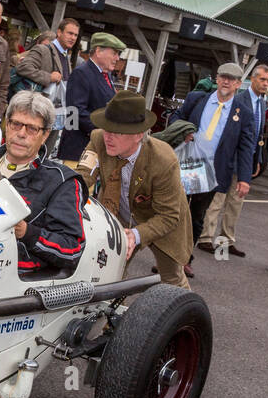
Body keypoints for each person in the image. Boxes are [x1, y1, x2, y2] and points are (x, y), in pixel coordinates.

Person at [74, 92, 193, 288]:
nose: (108, 137)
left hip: (162, 220)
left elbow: (170, 215)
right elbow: (82, 177)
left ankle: (189, 317)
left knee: (171, 280)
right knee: (109, 273)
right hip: (119, 214)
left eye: (117, 132)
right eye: (107, 128)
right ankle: (106, 316)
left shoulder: (163, 159)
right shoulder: (98, 139)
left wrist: (136, 235)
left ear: (138, 134)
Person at [0, 91, 88, 277]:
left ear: (45, 135)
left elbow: (72, 250)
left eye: (32, 129)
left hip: (10, 279)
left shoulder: (62, 182)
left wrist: (27, 232)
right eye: (16, 124)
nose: (21, 134)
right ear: (7, 125)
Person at [173, 62, 257, 260]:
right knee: (177, 213)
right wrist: (182, 130)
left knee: (196, 217)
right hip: (188, 163)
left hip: (213, 170)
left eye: (232, 79)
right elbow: (177, 116)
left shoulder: (243, 113)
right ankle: (170, 259)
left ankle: (184, 258)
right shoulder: (196, 98)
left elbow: (246, 148)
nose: (226, 81)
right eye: (223, 77)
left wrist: (245, 178)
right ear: (217, 79)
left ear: (238, 84)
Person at [197, 63, 268, 257]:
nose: (266, 84)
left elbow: (254, 136)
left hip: (244, 162)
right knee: (217, 200)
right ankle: (206, 237)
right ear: (252, 79)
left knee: (235, 204)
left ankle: (225, 242)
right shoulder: (237, 99)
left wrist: (255, 161)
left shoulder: (262, 103)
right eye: (262, 79)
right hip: (227, 160)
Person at [62, 32, 125, 165]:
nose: (117, 58)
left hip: (93, 149)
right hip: (79, 150)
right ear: (98, 51)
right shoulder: (82, 73)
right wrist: (105, 131)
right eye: (114, 53)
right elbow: (75, 111)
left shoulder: (104, 75)